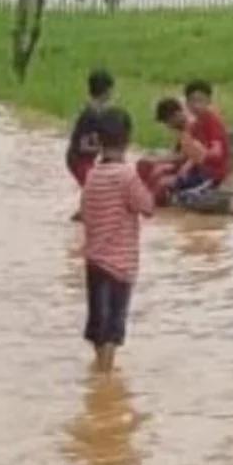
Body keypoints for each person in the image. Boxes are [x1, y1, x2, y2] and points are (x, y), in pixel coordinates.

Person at [80, 107, 155, 372]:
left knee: (98, 326)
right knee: (112, 330)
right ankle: (105, 379)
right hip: (119, 267)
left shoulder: (91, 175)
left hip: (93, 262)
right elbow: (147, 208)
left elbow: (85, 214)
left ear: (99, 141)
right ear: (128, 139)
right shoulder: (127, 176)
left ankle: (99, 370)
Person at [66, 68, 115, 221]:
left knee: (93, 190)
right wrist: (105, 149)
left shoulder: (97, 111)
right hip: (78, 159)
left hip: (84, 159)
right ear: (107, 91)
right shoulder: (91, 114)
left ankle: (83, 217)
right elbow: (83, 145)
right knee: (95, 189)